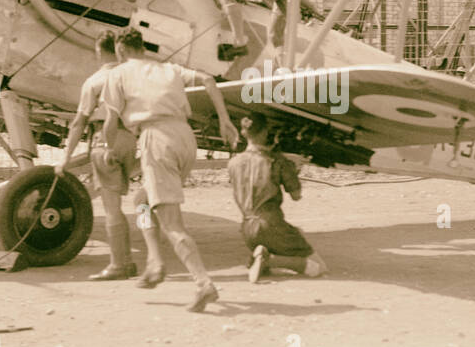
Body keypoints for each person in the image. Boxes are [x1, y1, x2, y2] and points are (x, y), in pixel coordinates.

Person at [102, 28, 239, 311]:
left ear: (120, 50)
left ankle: (203, 283)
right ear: (142, 47)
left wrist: (107, 148)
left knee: (172, 223)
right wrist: (225, 120)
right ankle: (155, 261)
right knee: (142, 202)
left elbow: (109, 121)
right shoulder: (168, 68)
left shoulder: (117, 74)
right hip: (186, 139)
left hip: (156, 139)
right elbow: (208, 79)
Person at [58, 32, 139, 280]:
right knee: (132, 205)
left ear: (97, 51)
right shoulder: (132, 77)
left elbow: (78, 123)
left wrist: (65, 158)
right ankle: (129, 261)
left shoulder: (94, 81)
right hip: (132, 141)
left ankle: (119, 265)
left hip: (106, 140)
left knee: (112, 208)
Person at [227, 112, 327, 283]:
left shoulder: (233, 164)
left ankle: (260, 256)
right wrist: (292, 169)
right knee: (319, 267)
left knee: (272, 241)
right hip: (272, 224)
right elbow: (296, 195)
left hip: (247, 230)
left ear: (244, 133)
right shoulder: (276, 161)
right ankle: (271, 259)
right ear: (266, 132)